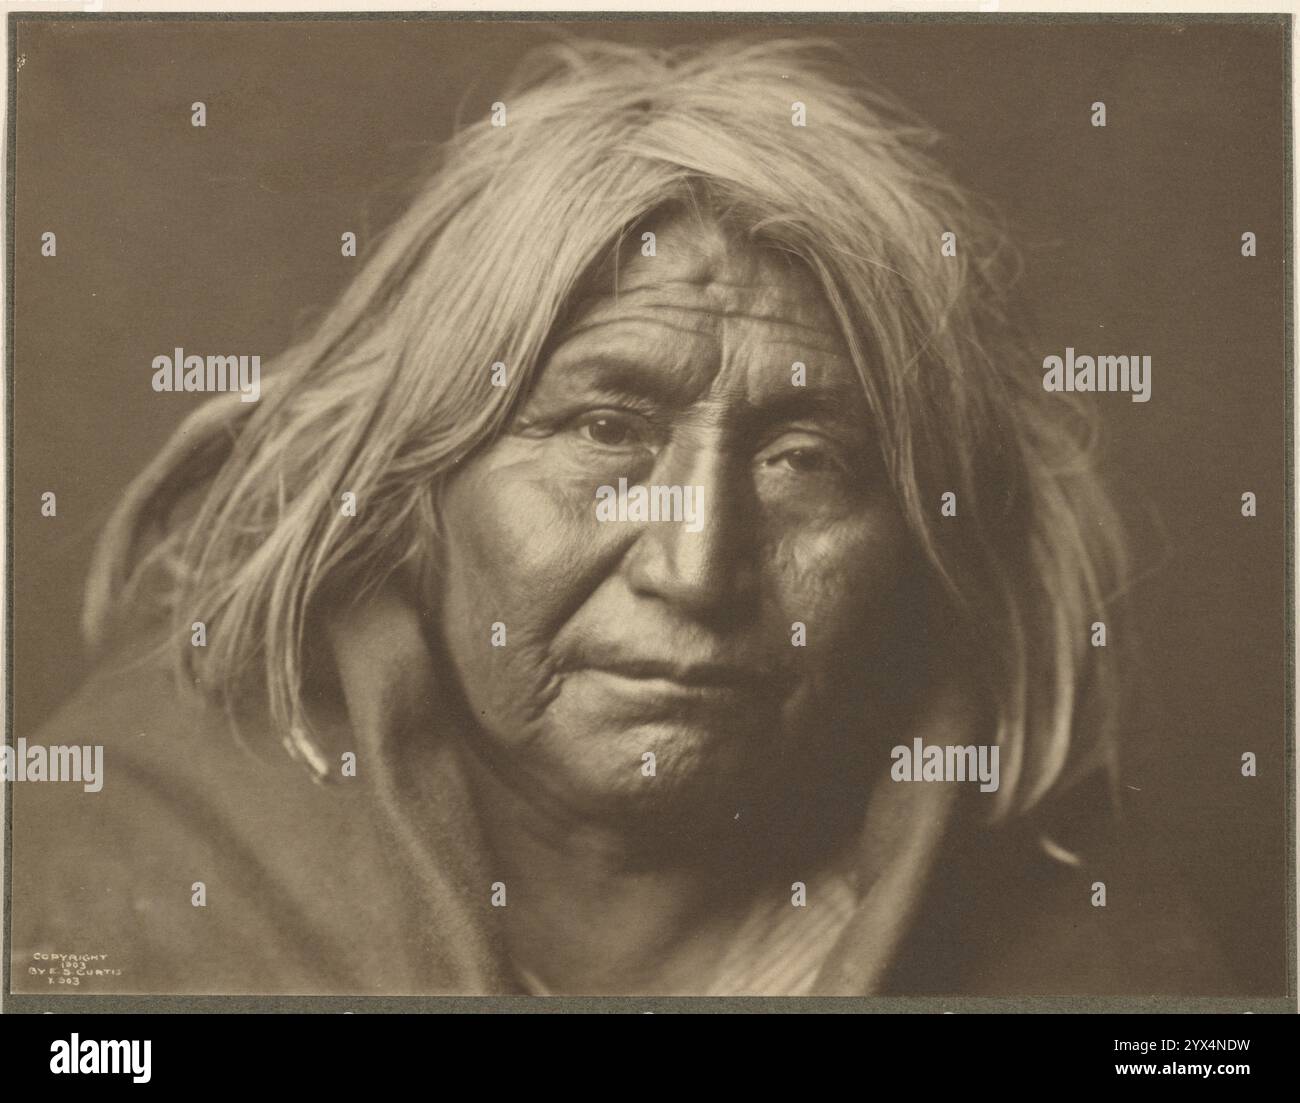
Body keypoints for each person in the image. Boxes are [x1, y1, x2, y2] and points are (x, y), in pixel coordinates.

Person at [11, 36, 1234, 997]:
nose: (698, 566)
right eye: (603, 429)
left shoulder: (1103, 968)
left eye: (807, 460)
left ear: (921, 538)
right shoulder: (98, 886)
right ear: (409, 488)